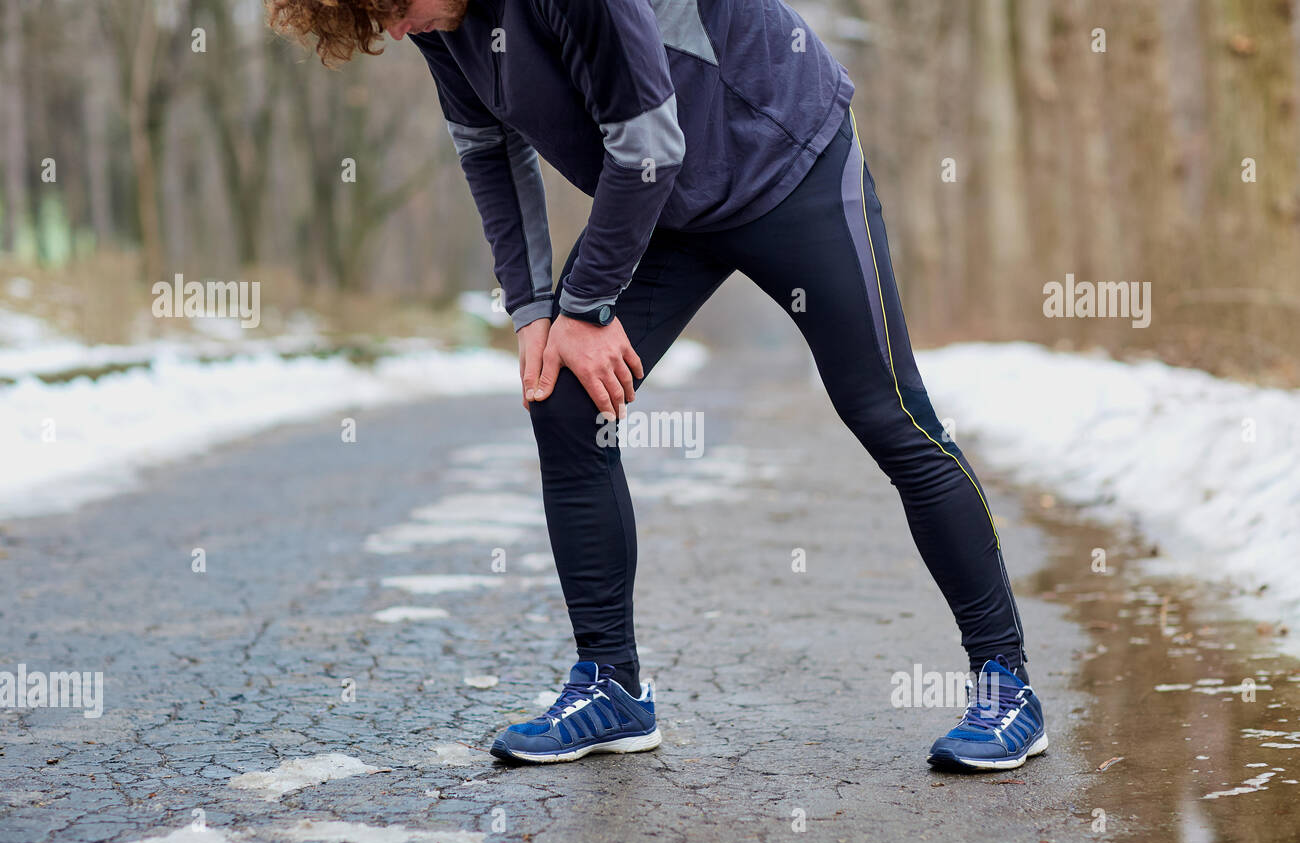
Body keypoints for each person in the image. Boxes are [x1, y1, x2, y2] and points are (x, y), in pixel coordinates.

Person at [266, 0, 1048, 772]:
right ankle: (612, 687)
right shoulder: (441, 21)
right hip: (665, 207)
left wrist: (587, 304)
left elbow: (648, 142)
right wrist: (536, 309)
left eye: (397, 7)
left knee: (887, 413)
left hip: (787, 162)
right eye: (380, 20)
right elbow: (490, 155)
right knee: (564, 398)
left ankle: (1005, 683)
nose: (397, 29)